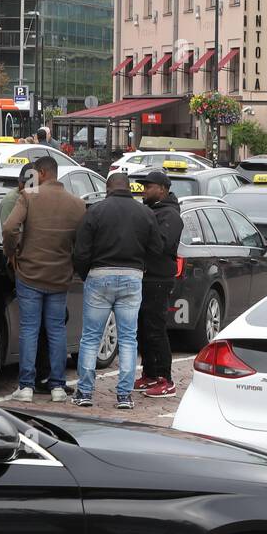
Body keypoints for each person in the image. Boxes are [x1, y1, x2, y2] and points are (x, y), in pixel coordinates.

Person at [72, 171, 163, 408]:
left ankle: (84, 392)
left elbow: (81, 251)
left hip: (99, 275)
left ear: (108, 188)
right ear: (129, 188)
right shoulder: (145, 213)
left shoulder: (95, 211)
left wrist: (85, 274)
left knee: (91, 336)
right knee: (128, 338)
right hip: (132, 276)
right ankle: (124, 395)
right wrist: (141, 268)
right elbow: (157, 249)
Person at [2, 156, 86, 403]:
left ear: (41, 173)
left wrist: (12, 252)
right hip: (60, 275)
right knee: (56, 330)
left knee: (30, 328)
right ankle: (58, 386)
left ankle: (26, 385)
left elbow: (9, 228)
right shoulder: (77, 204)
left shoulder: (29, 196)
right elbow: (81, 242)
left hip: (29, 272)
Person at [135, 171, 184, 399]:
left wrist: (142, 231)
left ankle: (166, 379)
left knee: (156, 329)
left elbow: (162, 245)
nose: (144, 190)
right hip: (145, 277)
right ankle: (150, 373)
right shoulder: (151, 211)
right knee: (143, 329)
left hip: (158, 279)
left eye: (149, 187)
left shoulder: (170, 215)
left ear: (162, 189)